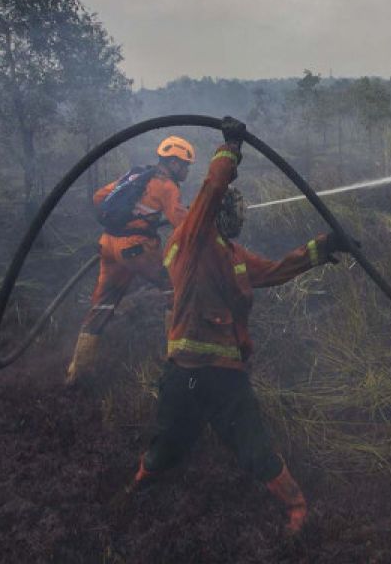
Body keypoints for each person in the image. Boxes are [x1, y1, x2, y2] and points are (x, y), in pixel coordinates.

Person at [130, 116, 354, 534]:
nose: (239, 215)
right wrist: (229, 149)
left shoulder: (229, 252)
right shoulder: (193, 239)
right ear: (221, 213)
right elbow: (212, 192)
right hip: (185, 371)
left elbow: (273, 271)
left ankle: (296, 507)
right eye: (234, 209)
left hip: (224, 377)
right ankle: (140, 485)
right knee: (167, 443)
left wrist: (322, 249)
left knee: (253, 442)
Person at [65, 135, 196, 387]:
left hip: (108, 245)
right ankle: (177, 362)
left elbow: (99, 198)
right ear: (174, 163)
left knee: (103, 304)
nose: (187, 170)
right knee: (176, 290)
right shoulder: (168, 186)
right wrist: (196, 216)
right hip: (137, 249)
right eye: (185, 165)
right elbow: (182, 223)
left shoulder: (136, 175)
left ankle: (77, 372)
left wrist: (136, 214)